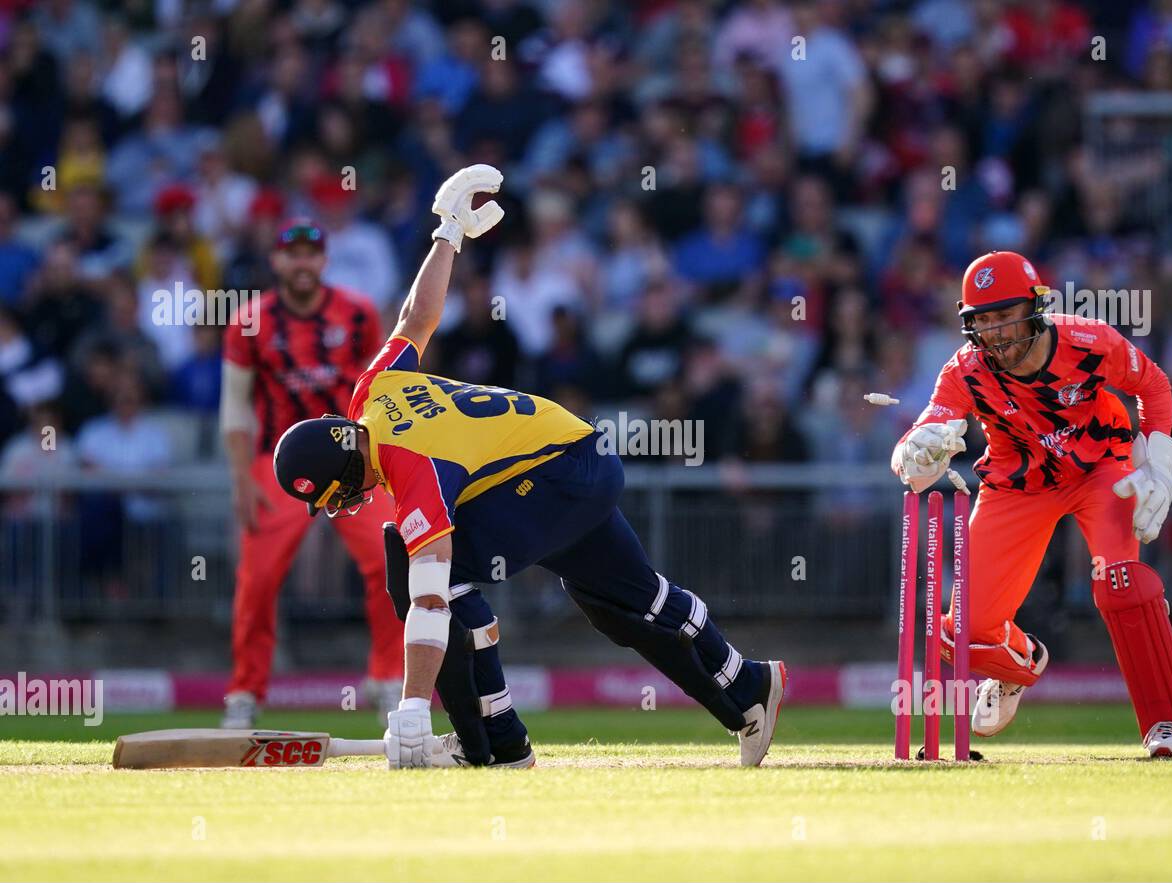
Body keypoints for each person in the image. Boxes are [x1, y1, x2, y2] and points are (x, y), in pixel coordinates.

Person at [270, 165, 786, 770]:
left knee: (430, 570)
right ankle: (748, 685)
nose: (345, 506)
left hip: (557, 474)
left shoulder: (408, 466)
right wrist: (446, 234)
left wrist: (412, 707)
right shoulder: (371, 392)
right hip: (569, 462)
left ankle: (496, 742)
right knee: (630, 603)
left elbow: (433, 601)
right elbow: (416, 320)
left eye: (337, 496)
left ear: (341, 468)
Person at [890, 251, 1172, 758]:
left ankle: (1167, 723)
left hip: (1101, 469)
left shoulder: (1088, 342)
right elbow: (929, 429)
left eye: (1004, 316)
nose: (995, 333)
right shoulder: (966, 369)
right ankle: (1019, 665)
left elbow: (1154, 385)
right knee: (958, 632)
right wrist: (913, 455)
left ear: (1034, 307)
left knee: (1122, 588)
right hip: (1019, 484)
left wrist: (1159, 466)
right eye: (982, 321)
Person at [219, 218, 403, 728]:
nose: (301, 263)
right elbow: (234, 408)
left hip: (353, 463)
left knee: (393, 563)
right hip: (276, 467)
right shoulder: (250, 322)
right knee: (257, 582)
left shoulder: (359, 314)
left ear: (324, 260)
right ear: (276, 261)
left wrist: (386, 464)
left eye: (311, 253)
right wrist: (240, 478)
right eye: (291, 254)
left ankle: (389, 681)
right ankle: (245, 693)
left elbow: (381, 393)